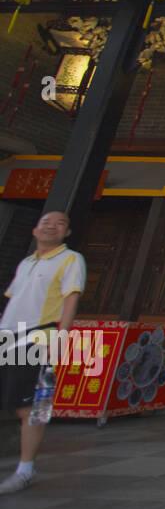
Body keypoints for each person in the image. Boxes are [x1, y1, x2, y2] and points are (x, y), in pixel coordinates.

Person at [0, 211, 86, 494]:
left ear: (67, 233)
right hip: (8, 338)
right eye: (46, 222)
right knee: (13, 401)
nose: (51, 226)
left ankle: (25, 469)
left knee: (32, 406)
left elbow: (70, 299)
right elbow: (14, 302)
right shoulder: (26, 263)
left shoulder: (71, 259)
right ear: (35, 230)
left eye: (60, 223)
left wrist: (61, 337)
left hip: (39, 337)